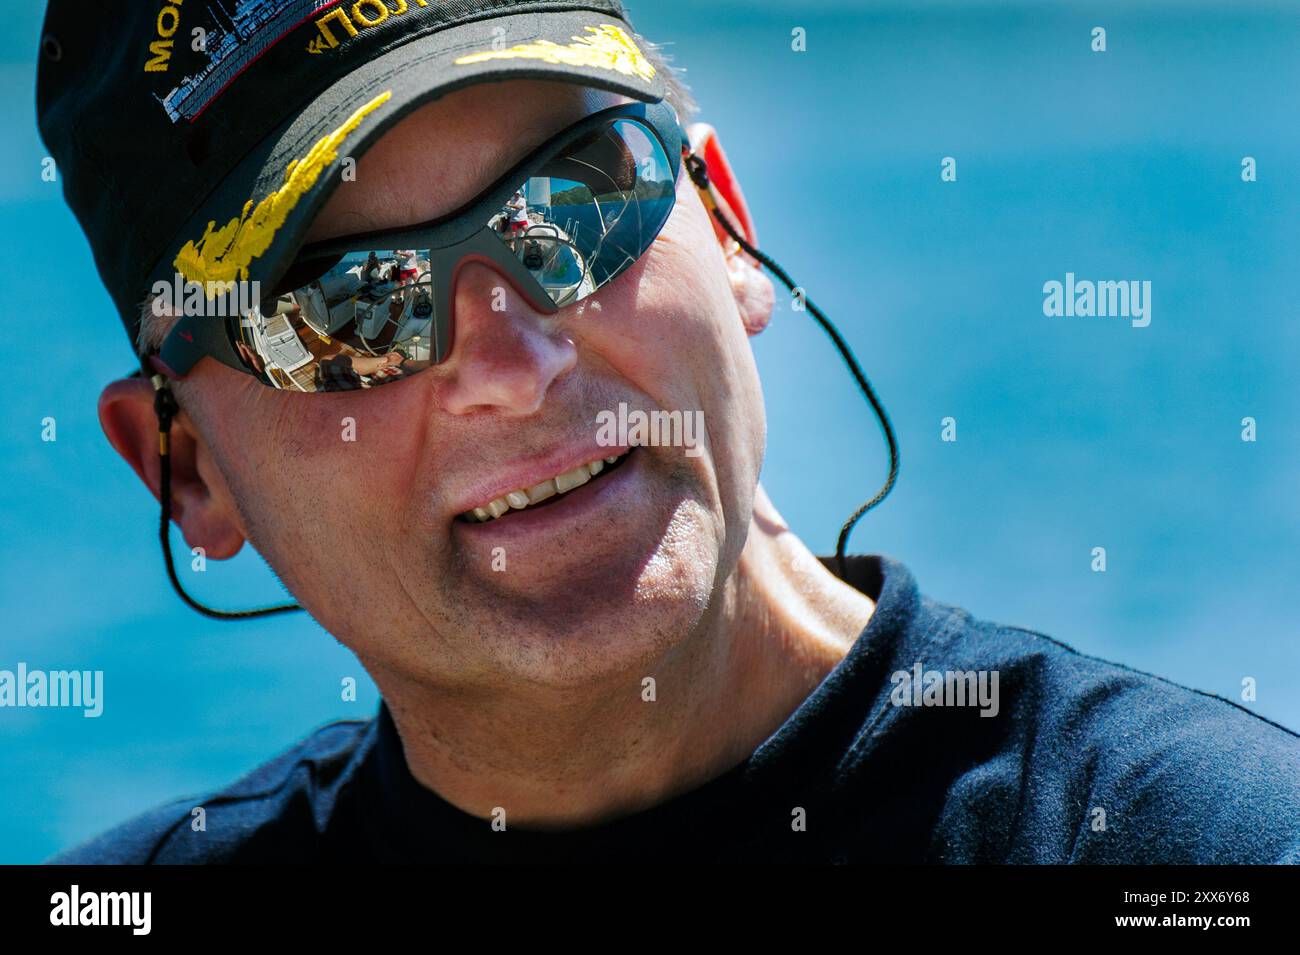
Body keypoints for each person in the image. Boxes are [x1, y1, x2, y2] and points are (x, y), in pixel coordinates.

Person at [35, 0, 1299, 864]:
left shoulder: (1199, 845)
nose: (516, 363)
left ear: (726, 222)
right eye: (347, 312)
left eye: (575, 207)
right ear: (186, 469)